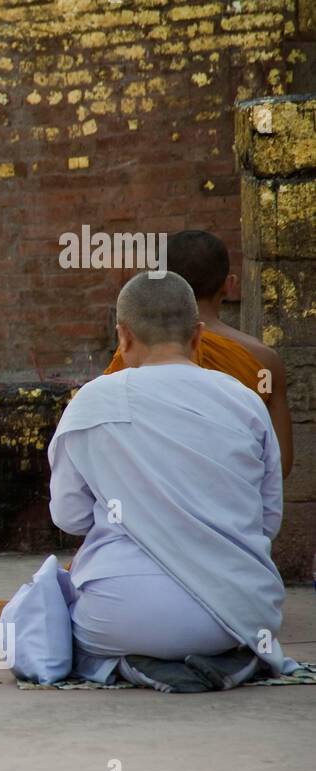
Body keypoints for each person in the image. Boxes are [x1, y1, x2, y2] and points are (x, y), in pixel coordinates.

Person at [27, 271, 297, 692]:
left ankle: (123, 666)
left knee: (40, 606)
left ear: (123, 335)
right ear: (198, 336)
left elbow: (70, 518)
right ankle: (237, 663)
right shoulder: (245, 400)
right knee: (238, 628)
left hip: (121, 619)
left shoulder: (92, 401)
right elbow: (267, 520)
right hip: (243, 616)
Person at [104, 229, 293, 476]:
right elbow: (280, 463)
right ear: (229, 285)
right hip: (235, 503)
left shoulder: (134, 351)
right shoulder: (263, 361)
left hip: (150, 498)